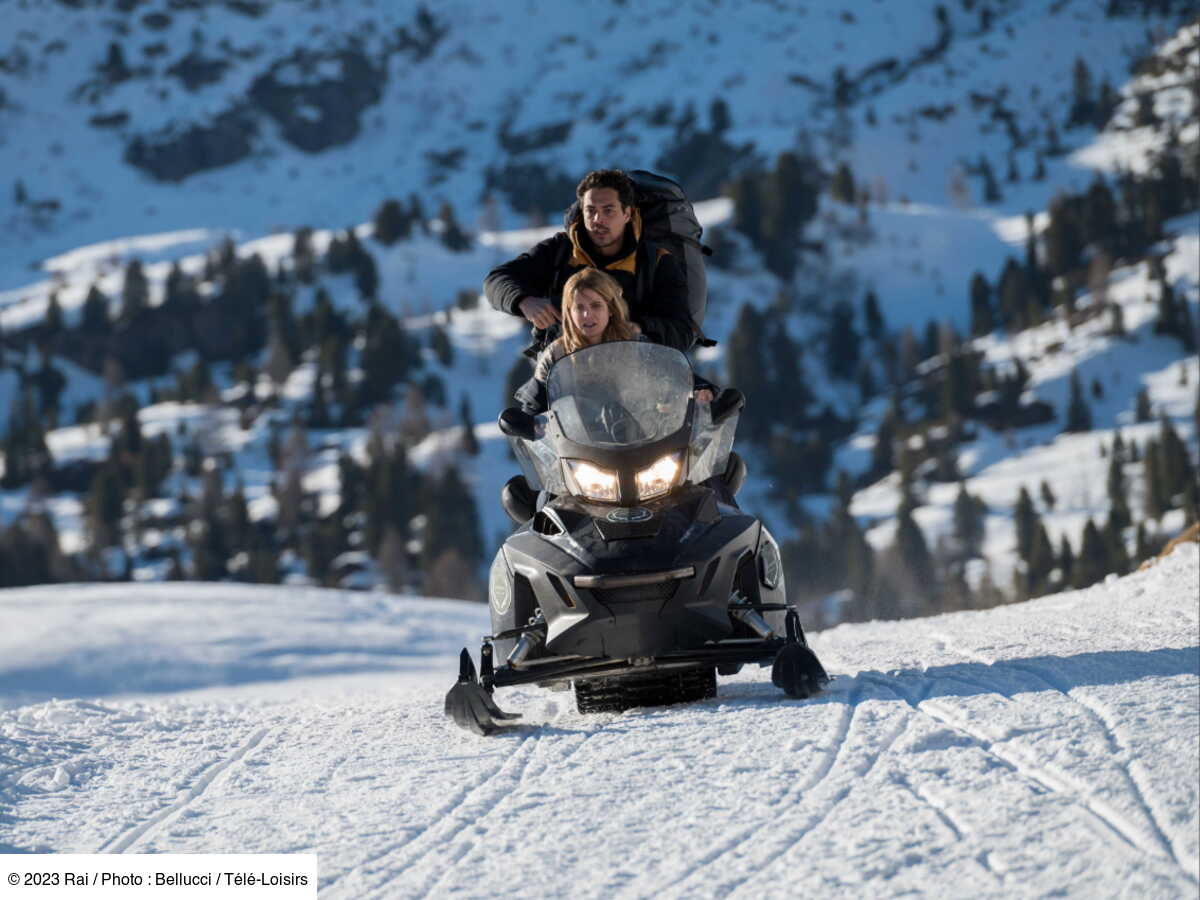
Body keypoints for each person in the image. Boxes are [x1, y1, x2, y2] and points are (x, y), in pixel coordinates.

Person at [485, 169, 698, 360]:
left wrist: (639, 328)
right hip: (563, 375)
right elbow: (496, 280)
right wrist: (525, 301)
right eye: (590, 210)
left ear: (627, 214)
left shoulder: (655, 262)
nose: (598, 219)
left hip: (637, 377)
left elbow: (683, 331)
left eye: (608, 210)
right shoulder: (560, 251)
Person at [513, 267, 713, 416]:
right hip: (576, 454)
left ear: (610, 308)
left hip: (641, 444)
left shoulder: (636, 344)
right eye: (578, 307)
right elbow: (534, 404)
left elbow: (673, 373)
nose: (587, 314)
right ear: (568, 312)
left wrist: (700, 389)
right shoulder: (555, 354)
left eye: (596, 305)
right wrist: (527, 420)